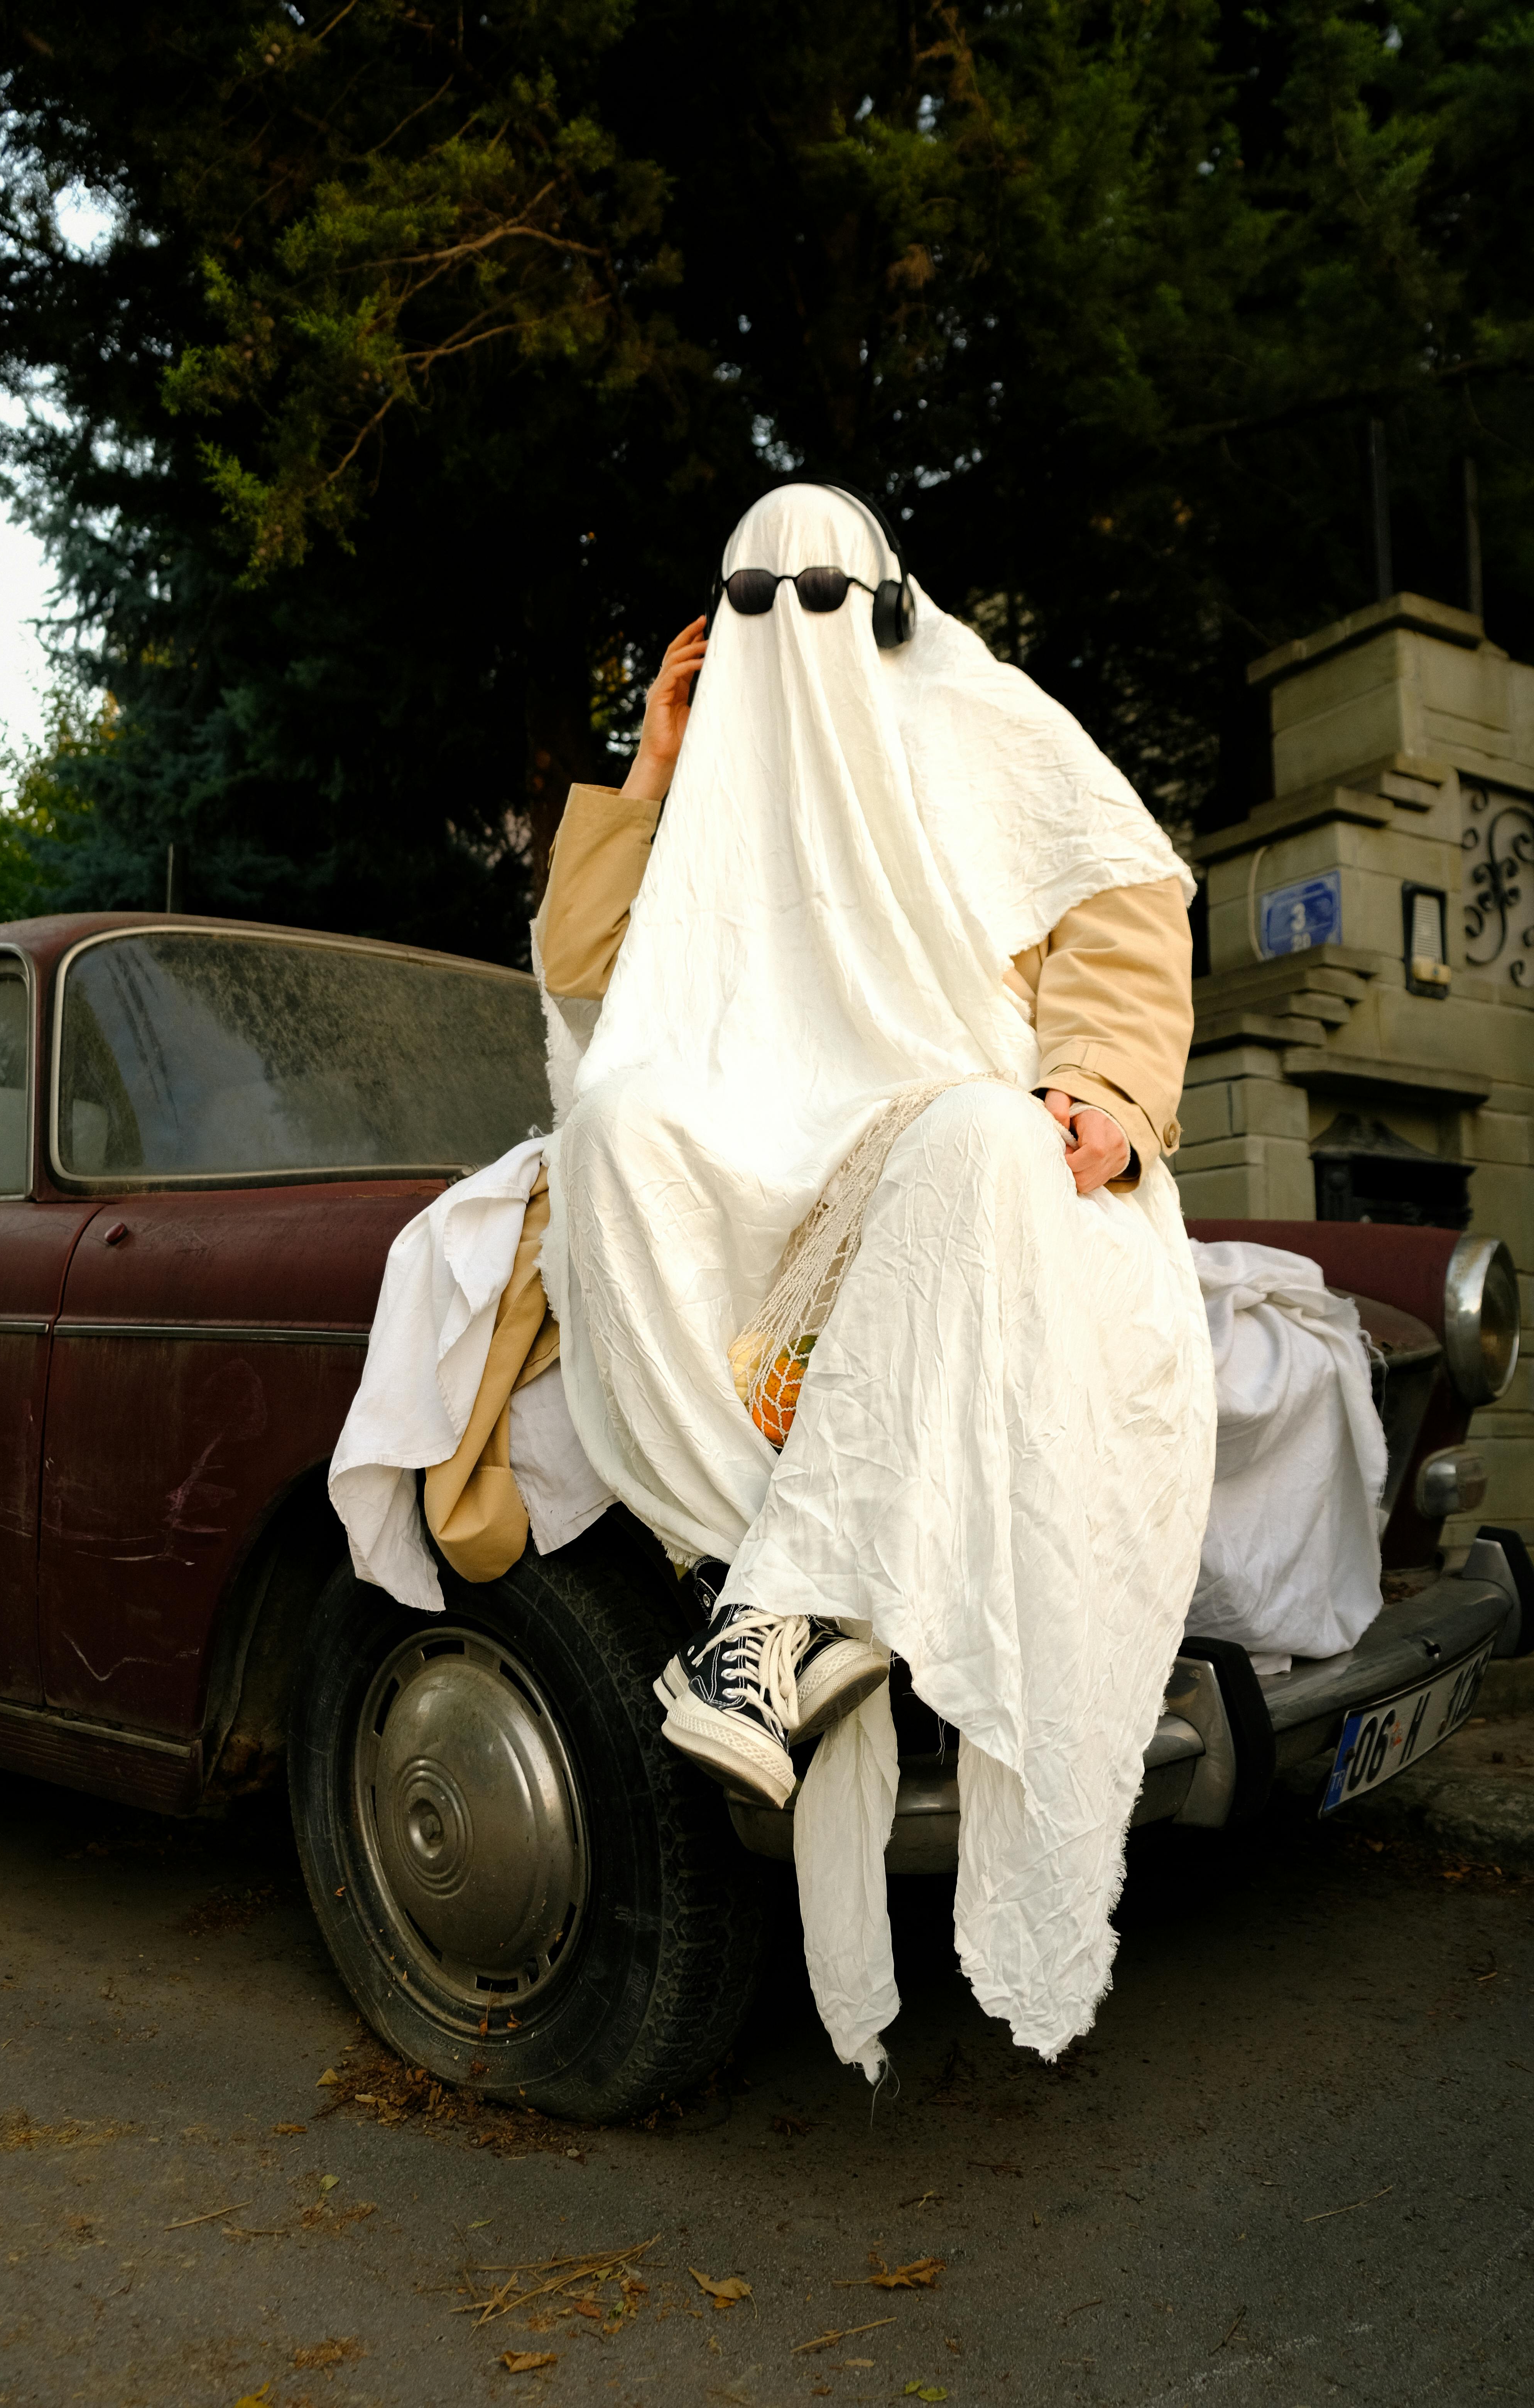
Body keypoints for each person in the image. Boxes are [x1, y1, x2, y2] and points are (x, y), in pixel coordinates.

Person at [532, 484, 1215, 2068]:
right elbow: (589, 990)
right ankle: (786, 1607)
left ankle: (769, 1618)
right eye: (755, 609)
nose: (796, 637)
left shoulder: (987, 726)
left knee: (981, 1139)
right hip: (754, 1171)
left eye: (822, 600)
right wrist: (656, 759)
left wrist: (1106, 1093)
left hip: (943, 1133)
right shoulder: (712, 783)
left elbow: (1118, 907)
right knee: (619, 1128)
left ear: (891, 606)